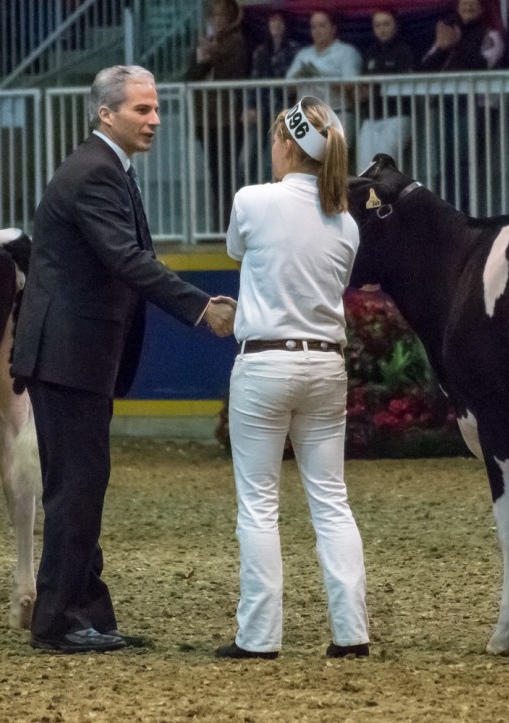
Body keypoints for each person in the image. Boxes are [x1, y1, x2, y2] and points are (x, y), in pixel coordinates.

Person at [11, 65, 235, 654]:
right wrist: (200, 308)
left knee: (83, 484)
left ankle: (85, 613)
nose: (155, 119)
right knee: (76, 488)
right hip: (67, 356)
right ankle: (57, 622)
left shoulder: (105, 167)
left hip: (73, 356)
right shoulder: (94, 174)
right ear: (106, 114)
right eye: (142, 109)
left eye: (156, 108)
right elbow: (127, 260)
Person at [216, 95, 369, 660]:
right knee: (331, 500)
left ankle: (259, 637)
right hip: (326, 363)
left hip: (264, 362)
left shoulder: (253, 200)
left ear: (285, 144)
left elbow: (236, 248)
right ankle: (351, 631)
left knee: (258, 504)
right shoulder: (347, 223)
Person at [419, 0, 506, 212]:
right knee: (445, 161)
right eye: (464, 3)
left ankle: (464, 211)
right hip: (446, 103)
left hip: (475, 105)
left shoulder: (491, 35)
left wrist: (457, 42)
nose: (468, 7)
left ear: (483, 7)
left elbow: (482, 64)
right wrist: (442, 46)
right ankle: (445, 209)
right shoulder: (447, 33)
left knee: (466, 161)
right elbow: (425, 66)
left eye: (473, 4)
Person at [185, 0, 250, 232]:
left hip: (229, 118)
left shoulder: (236, 42)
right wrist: (203, 59)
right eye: (212, 16)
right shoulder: (204, 43)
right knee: (215, 174)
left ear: (230, 16)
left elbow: (232, 73)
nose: (216, 20)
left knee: (229, 173)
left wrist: (210, 56)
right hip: (206, 118)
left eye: (220, 15)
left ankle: (233, 225)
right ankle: (218, 226)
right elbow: (190, 75)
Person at [285, 10, 362, 157]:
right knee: (304, 169)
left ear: (333, 28)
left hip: (337, 116)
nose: (317, 31)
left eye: (322, 26)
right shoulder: (303, 54)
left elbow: (352, 83)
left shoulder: (347, 52)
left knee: (330, 166)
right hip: (305, 120)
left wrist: (322, 76)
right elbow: (288, 85)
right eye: (313, 27)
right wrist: (300, 76)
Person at [239, 10, 301, 184]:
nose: (276, 25)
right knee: (246, 159)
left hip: (283, 111)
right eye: (272, 21)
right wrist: (250, 107)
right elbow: (254, 81)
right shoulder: (260, 51)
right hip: (262, 109)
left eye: (279, 21)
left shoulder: (294, 50)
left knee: (271, 159)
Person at [356, 8, 416, 170]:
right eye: (377, 25)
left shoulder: (404, 50)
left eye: (386, 24)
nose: (382, 29)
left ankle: (387, 196)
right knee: (364, 167)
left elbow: (406, 83)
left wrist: (376, 89)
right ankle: (369, 196)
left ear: (395, 26)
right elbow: (362, 84)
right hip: (370, 116)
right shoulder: (369, 52)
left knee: (384, 165)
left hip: (395, 115)